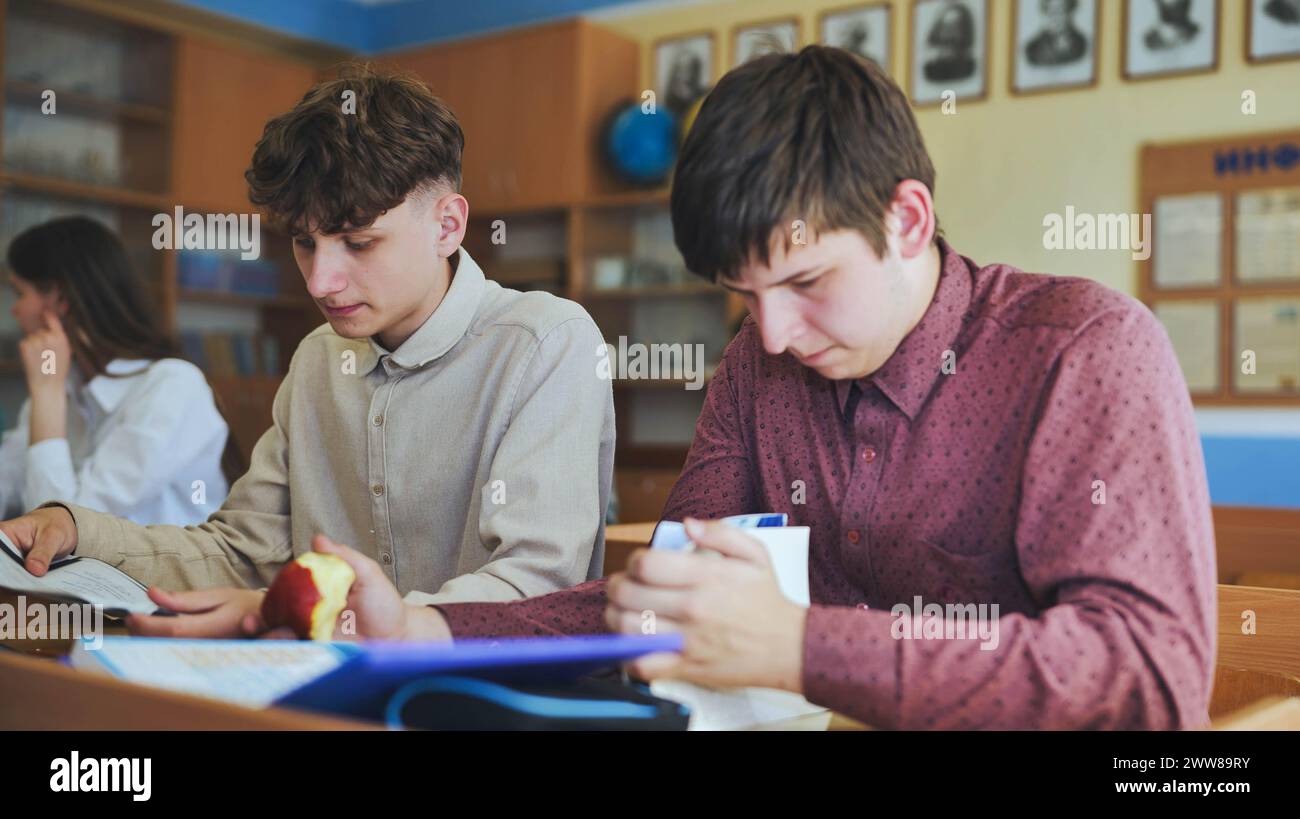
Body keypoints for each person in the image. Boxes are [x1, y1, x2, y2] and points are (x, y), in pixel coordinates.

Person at [304, 46, 1216, 731]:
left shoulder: (1083, 349)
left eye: (807, 283)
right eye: (744, 294)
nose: (770, 333)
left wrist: (799, 646)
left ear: (906, 220)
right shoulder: (760, 363)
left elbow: (1148, 672)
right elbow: (667, 595)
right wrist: (431, 630)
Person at [0, 65, 615, 636]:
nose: (321, 282)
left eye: (358, 242)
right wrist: (80, 531)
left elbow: (539, 588)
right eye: (303, 243)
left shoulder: (546, 344)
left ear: (447, 227)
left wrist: (344, 618)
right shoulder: (318, 359)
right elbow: (243, 554)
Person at [0, 216, 232, 525]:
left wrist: (47, 393)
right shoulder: (64, 385)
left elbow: (65, 528)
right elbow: (7, 479)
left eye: (20, 293)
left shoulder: (173, 386)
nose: (15, 310)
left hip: (161, 572)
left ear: (58, 298)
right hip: (91, 572)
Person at [1024, 0, 1089, 67]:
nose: (1056, 16)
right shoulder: (1033, 48)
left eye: (1061, 9)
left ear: (1069, 11)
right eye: (1052, 11)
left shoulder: (1081, 42)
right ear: (1046, 13)